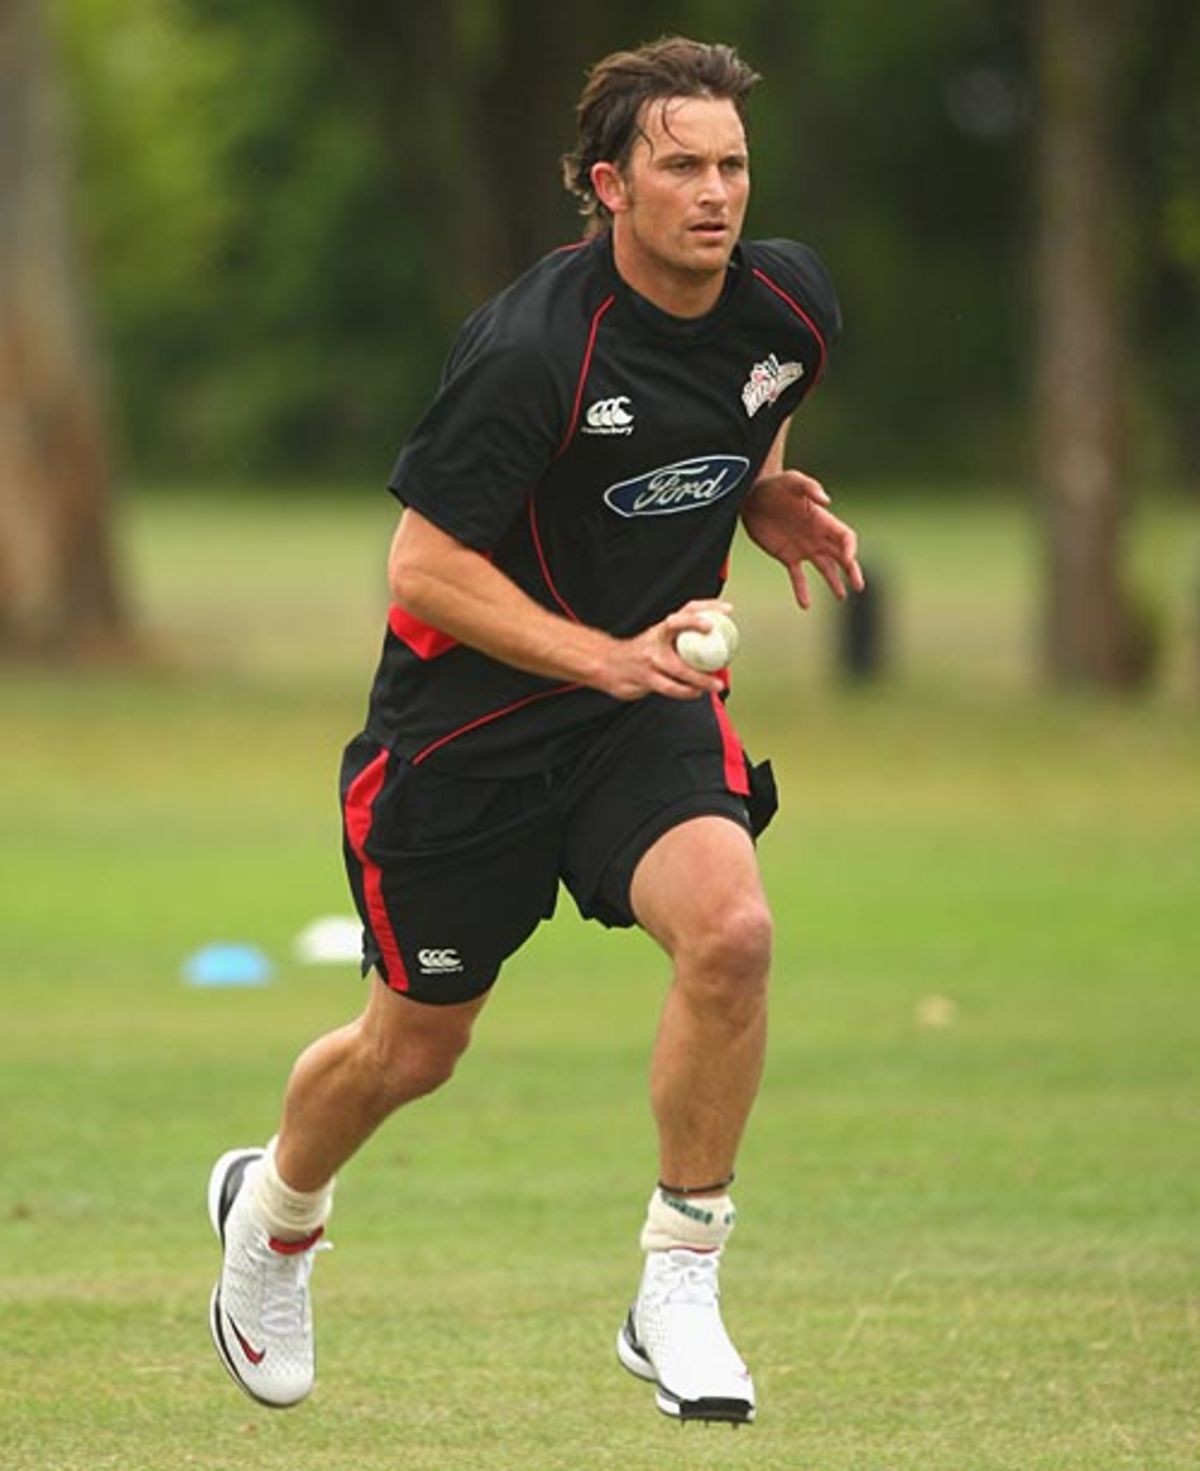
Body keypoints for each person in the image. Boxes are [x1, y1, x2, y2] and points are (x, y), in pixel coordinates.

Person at [207, 35, 864, 1426]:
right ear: (609, 185)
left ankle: (678, 1278)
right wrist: (600, 657)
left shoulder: (788, 308)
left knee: (734, 933)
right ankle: (272, 1218)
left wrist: (763, 495)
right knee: (412, 1051)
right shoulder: (532, 351)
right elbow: (423, 569)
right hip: (468, 738)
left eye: (732, 165)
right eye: (681, 166)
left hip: (646, 722)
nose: (715, 193)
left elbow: (747, 420)